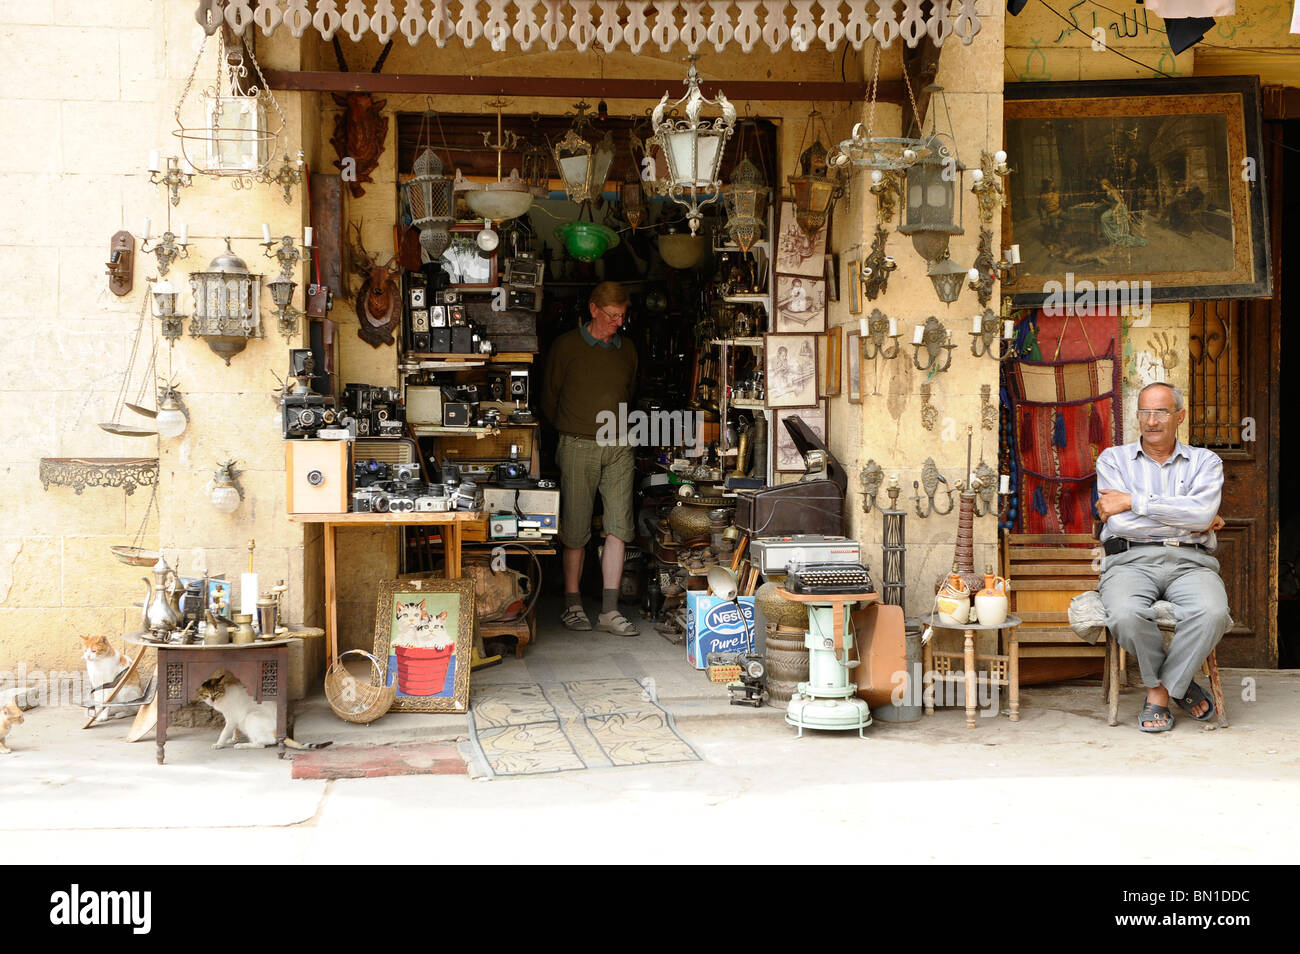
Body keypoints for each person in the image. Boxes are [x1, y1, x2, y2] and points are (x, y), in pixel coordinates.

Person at [1095, 382, 1230, 732]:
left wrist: (1133, 501)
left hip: (1192, 562)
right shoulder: (1113, 459)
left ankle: (1161, 691)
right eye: (1144, 412)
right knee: (1125, 614)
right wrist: (1189, 518)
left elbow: (1200, 515)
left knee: (1213, 613)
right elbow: (1121, 523)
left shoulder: (1206, 461)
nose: (1151, 421)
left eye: (1161, 412)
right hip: (1129, 560)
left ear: (1180, 416)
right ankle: (1171, 687)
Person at [540, 281, 640, 636]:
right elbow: (549, 399)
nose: (618, 322)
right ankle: (573, 604)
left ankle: (609, 611)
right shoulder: (566, 346)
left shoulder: (627, 349)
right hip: (578, 444)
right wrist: (574, 429)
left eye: (623, 316)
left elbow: (630, 392)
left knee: (618, 527)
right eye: (612, 315)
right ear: (594, 309)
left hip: (620, 444)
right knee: (576, 528)